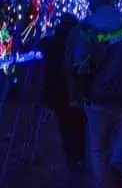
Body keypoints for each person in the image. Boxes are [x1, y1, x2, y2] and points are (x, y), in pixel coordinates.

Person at [66, 0, 122, 187]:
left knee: (99, 149)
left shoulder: (84, 30)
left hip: (97, 100)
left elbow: (76, 65)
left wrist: (77, 92)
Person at [40, 13, 86, 171]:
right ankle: (79, 154)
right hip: (77, 88)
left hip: (57, 89)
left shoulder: (50, 42)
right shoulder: (80, 41)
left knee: (65, 124)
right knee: (79, 123)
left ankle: (71, 157)